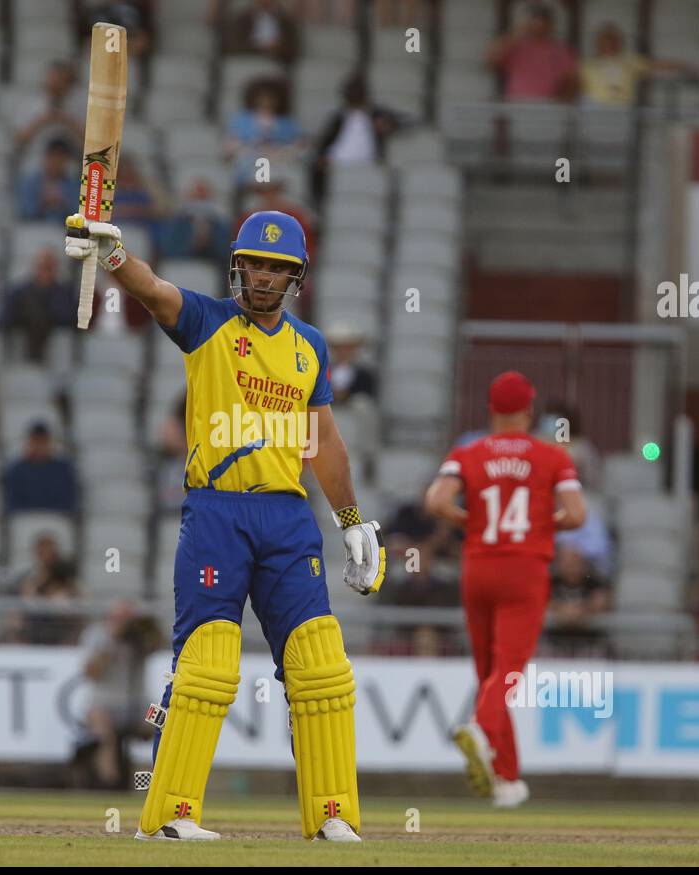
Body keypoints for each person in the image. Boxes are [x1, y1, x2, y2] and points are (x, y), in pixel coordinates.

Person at [65, 205, 385, 842]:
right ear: (238, 266)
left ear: (295, 277)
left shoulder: (310, 347)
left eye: (278, 267)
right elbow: (154, 291)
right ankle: (171, 815)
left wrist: (350, 520)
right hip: (217, 510)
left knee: (319, 664)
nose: (264, 277)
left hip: (288, 516)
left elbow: (323, 440)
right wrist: (115, 257)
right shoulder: (206, 322)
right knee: (207, 663)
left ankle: (332, 816)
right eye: (255, 264)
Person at [424, 370, 587, 809]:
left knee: (488, 674)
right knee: (510, 671)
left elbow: (436, 501)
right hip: (525, 568)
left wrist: (470, 522)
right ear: (529, 410)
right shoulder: (552, 457)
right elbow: (576, 514)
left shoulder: (468, 452)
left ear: (492, 410)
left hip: (477, 566)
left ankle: (507, 778)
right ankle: (479, 728)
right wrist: (541, 524)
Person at [75, 601, 162, 789]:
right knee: (103, 734)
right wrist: (113, 640)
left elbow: (157, 645)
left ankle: (162, 781)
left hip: (138, 704)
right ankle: (110, 784)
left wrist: (141, 633)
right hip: (103, 703)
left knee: (166, 723)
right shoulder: (97, 635)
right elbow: (91, 672)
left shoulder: (140, 636)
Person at [309, 72, 401, 204]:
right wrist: (322, 156)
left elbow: (405, 121)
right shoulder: (338, 117)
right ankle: (319, 205)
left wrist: (388, 125)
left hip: (368, 160)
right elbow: (325, 140)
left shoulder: (377, 114)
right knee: (314, 167)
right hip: (336, 161)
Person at [577, 22, 693, 107]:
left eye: (613, 40)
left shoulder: (629, 60)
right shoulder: (586, 64)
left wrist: (684, 65)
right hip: (594, 110)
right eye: (605, 40)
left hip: (624, 108)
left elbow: (656, 66)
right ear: (598, 43)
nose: (609, 44)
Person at [0, 248, 75, 363]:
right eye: (42, 267)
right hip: (23, 332)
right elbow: (3, 320)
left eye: (49, 268)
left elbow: (69, 318)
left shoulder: (64, 292)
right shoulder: (18, 292)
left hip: (54, 334)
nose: (45, 272)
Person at [485, 3, 577, 102]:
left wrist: (560, 102)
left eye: (544, 20)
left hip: (548, 106)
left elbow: (571, 79)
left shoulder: (560, 50)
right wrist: (517, 32)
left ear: (551, 25)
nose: (539, 25)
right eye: (535, 19)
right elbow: (490, 60)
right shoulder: (516, 46)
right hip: (516, 103)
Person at [224, 77, 304, 186]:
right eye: (262, 96)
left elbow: (297, 144)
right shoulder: (242, 119)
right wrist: (250, 151)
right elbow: (232, 144)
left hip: (279, 159)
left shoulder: (287, 121)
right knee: (261, 165)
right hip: (250, 159)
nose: (266, 100)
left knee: (285, 171)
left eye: (271, 97)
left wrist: (281, 152)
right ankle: (262, 192)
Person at [2, 421, 78, 515]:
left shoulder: (63, 469)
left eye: (42, 442)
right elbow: (12, 503)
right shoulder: (16, 470)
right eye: (35, 441)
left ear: (49, 443)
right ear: (29, 443)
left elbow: (69, 502)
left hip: (57, 519)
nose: (39, 447)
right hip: (26, 520)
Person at [13, 60, 87, 154]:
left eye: (61, 81)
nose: (56, 85)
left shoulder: (79, 105)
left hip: (70, 161)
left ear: (69, 83)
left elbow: (90, 142)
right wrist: (43, 120)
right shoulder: (30, 104)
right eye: (53, 80)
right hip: (36, 159)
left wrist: (68, 120)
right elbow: (18, 140)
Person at [157, 177, 230, 264]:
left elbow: (225, 250)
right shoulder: (178, 221)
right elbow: (169, 248)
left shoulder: (219, 222)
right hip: (183, 259)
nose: (200, 199)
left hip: (212, 260)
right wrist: (192, 242)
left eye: (203, 195)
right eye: (197, 194)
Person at [16, 136, 77, 221]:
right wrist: (42, 202)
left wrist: (63, 202)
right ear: (46, 157)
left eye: (61, 157)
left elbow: (79, 217)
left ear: (67, 160)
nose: (56, 162)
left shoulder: (74, 185)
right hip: (32, 230)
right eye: (53, 156)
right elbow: (23, 213)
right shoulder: (30, 182)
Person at [223, 0, 298, 63]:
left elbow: (293, 48)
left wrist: (277, 48)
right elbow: (234, 46)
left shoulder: (286, 22)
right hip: (248, 64)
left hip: (279, 65)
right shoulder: (241, 20)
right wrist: (260, 48)